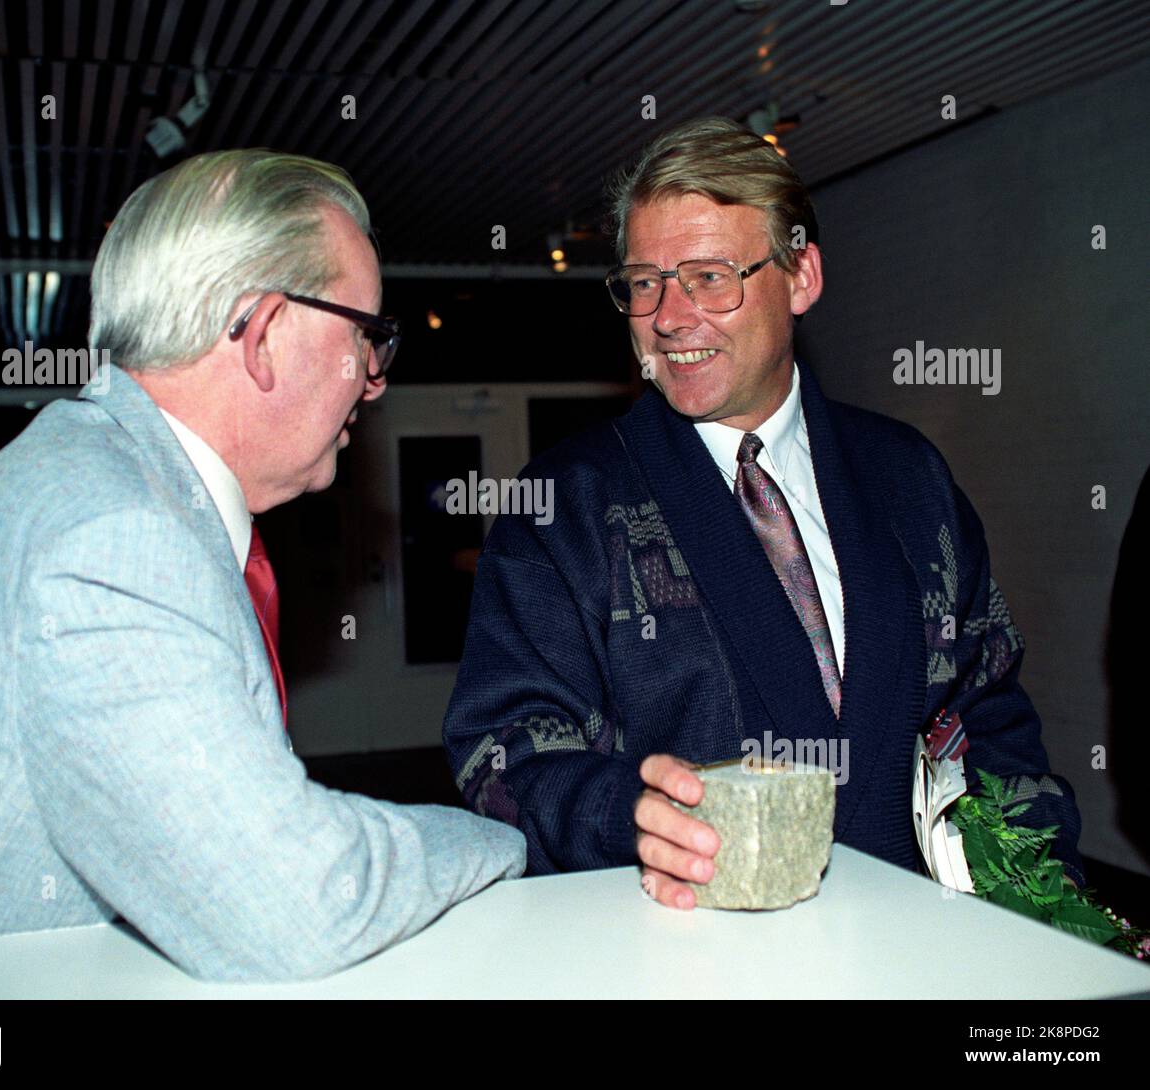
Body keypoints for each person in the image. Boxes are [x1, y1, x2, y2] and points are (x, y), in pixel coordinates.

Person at [0, 149, 525, 978]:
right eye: (369, 336)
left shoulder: (101, 480)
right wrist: (506, 842)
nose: (375, 382)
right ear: (267, 333)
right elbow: (291, 903)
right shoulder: (115, 533)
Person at [442, 117, 1082, 908]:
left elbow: (988, 712)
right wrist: (627, 815)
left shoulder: (907, 477)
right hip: (684, 957)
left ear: (801, 274)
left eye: (709, 276)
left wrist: (1050, 903)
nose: (669, 316)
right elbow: (502, 752)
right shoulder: (561, 510)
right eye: (644, 282)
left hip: (918, 952)